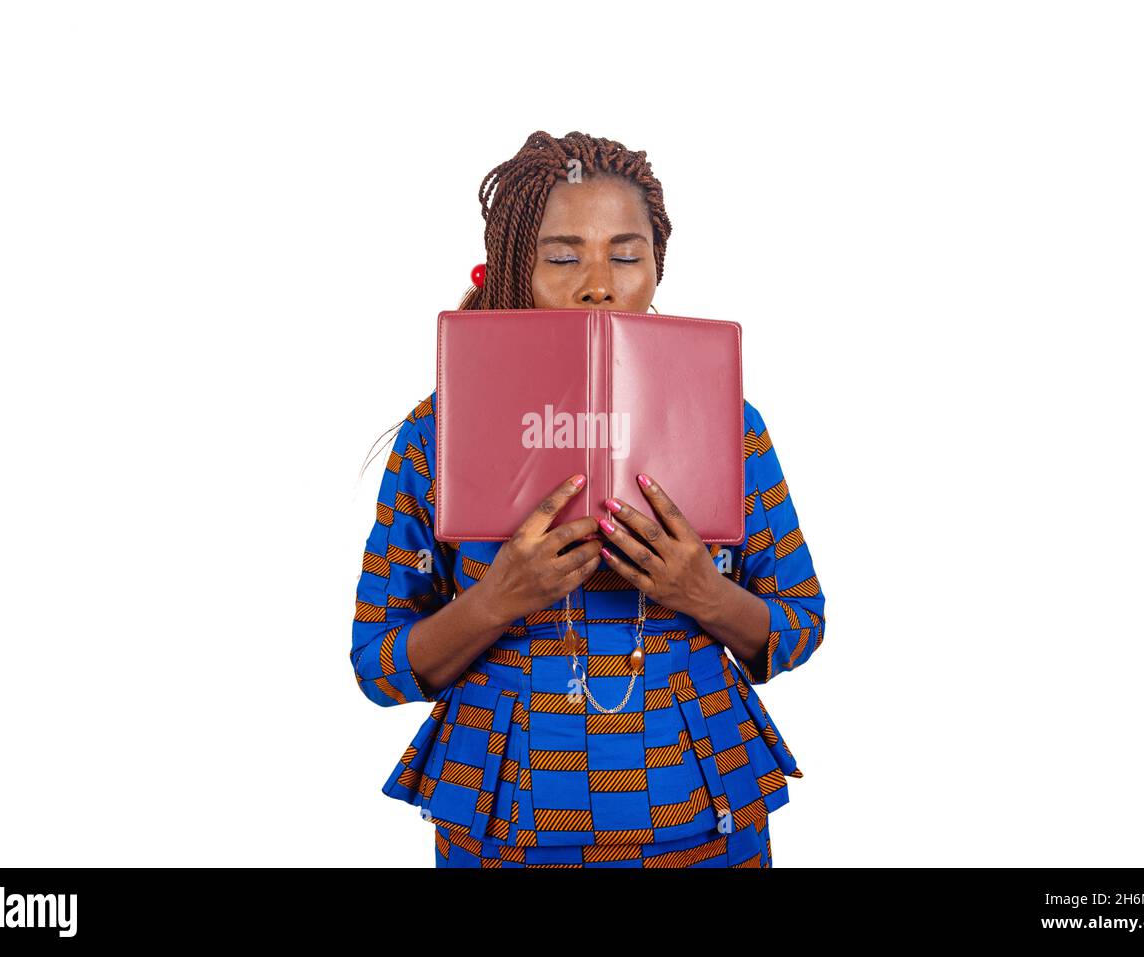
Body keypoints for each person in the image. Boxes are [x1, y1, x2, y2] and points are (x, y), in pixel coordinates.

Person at [350, 131, 826, 868]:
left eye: (627, 256)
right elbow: (378, 663)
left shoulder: (727, 421)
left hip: (703, 818)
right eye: (564, 257)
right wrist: (494, 600)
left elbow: (798, 624)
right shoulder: (437, 433)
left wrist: (704, 593)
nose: (599, 283)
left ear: (657, 268)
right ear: (515, 268)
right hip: (506, 824)